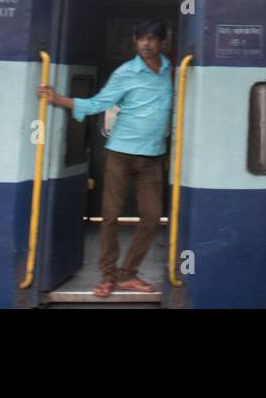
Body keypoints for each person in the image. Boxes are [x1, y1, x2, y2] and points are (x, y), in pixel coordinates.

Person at [39, 19, 174, 296]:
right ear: (135, 42)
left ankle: (128, 274)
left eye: (152, 38)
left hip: (153, 157)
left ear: (163, 42)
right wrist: (59, 99)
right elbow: (98, 103)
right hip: (121, 154)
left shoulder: (173, 71)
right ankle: (108, 276)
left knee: (151, 217)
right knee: (110, 216)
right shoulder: (126, 73)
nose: (146, 44)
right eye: (141, 38)